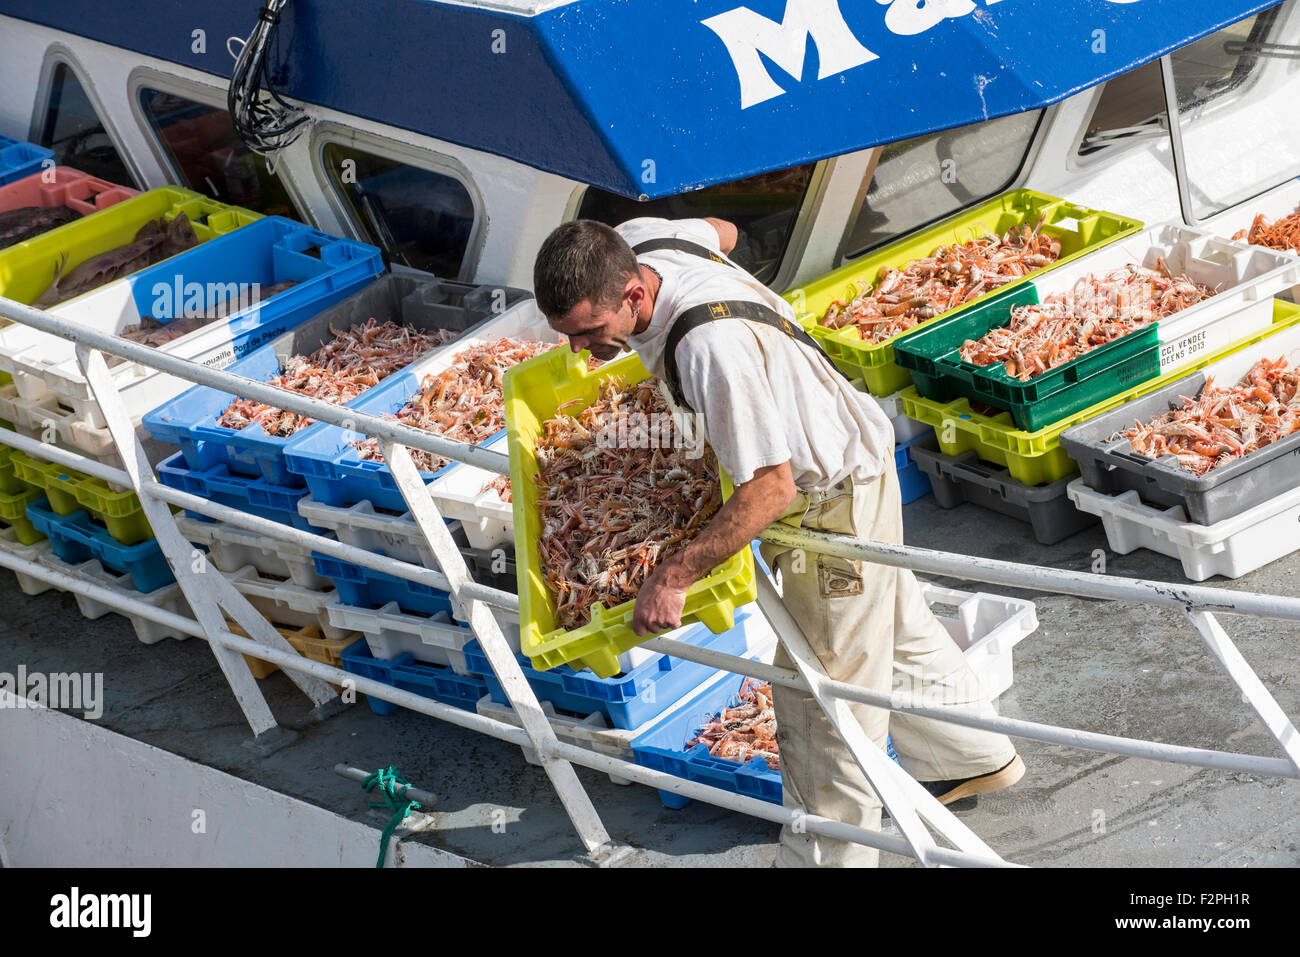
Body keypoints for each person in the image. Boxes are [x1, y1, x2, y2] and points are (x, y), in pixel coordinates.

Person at [531, 216, 1025, 867]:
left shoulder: (707, 351)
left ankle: (831, 856)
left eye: (592, 333)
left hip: (832, 502)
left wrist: (673, 574)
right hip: (850, 436)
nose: (584, 351)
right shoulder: (645, 237)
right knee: (888, 622)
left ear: (633, 296)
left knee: (821, 686)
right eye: (568, 335)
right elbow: (728, 230)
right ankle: (973, 757)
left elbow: (771, 489)